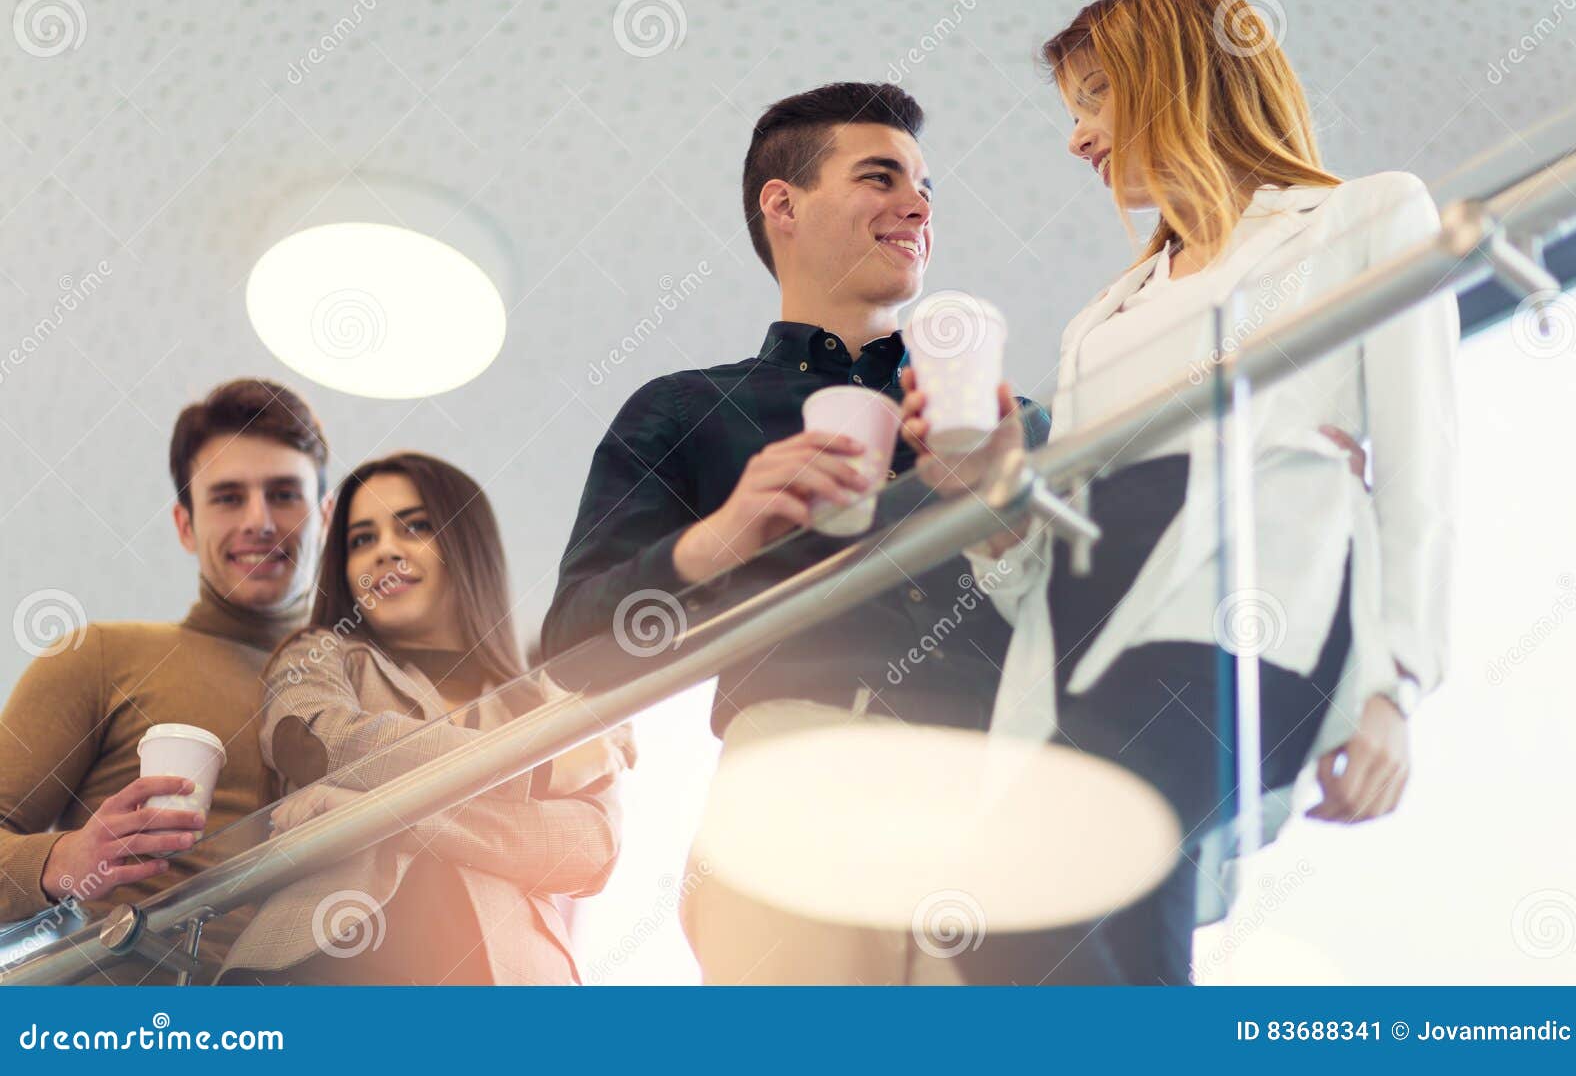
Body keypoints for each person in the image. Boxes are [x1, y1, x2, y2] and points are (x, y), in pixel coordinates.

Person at [904, 0, 1458, 985]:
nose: (1076, 138)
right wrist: (984, 489)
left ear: (1176, 73)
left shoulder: (1364, 219)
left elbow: (1422, 465)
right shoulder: (1097, 325)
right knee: (1012, 927)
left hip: (1246, 613)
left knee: (1110, 833)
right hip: (1084, 643)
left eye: (1095, 99)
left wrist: (1395, 684)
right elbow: (1032, 569)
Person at [543, 82, 1049, 984]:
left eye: (927, 186)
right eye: (881, 176)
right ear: (784, 204)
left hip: (1002, 788)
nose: (919, 203)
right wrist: (724, 535)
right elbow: (576, 655)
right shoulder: (686, 411)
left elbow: (1101, 621)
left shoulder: (1019, 426)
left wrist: (1007, 516)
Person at [218, 452, 632, 986]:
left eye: (413, 527)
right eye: (361, 539)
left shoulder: (553, 701)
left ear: (467, 547)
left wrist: (373, 811)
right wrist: (540, 771)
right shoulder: (318, 655)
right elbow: (327, 747)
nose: (385, 550)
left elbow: (587, 851)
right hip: (322, 969)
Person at [0, 379, 332, 982]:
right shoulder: (97, 655)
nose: (260, 521)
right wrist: (63, 860)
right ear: (185, 524)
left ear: (326, 517)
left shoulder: (362, 701)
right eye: (229, 498)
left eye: (284, 494)